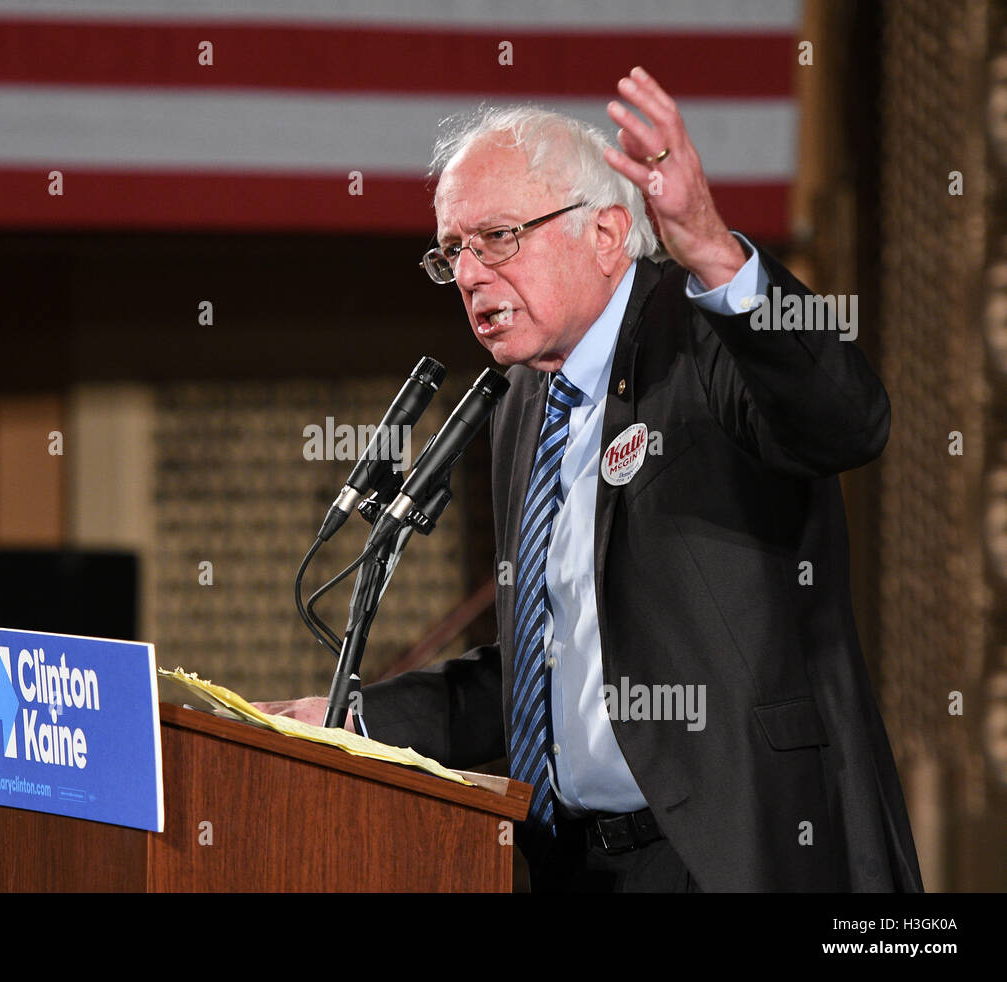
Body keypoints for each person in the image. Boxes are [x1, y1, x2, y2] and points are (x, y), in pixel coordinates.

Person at [261, 67, 922, 892]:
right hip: (577, 865)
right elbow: (547, 661)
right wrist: (358, 719)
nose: (468, 274)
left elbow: (850, 420)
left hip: (737, 851)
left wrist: (714, 247)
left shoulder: (707, 334)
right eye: (452, 250)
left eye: (497, 237)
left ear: (608, 234)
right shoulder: (521, 403)